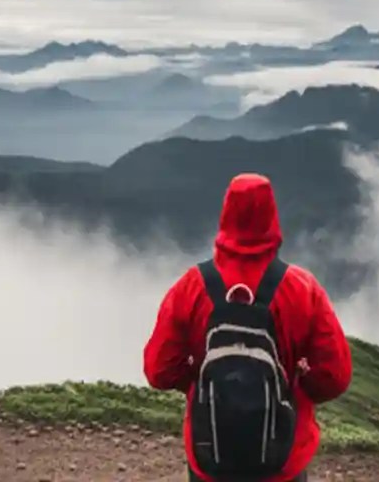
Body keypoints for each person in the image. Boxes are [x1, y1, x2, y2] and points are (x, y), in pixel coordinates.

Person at [143, 172, 353, 482]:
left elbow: (158, 371)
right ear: (273, 218)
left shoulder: (190, 288)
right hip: (283, 456)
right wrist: (297, 384)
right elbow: (335, 377)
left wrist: (200, 380)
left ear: (225, 214)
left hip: (210, 451)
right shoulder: (303, 289)